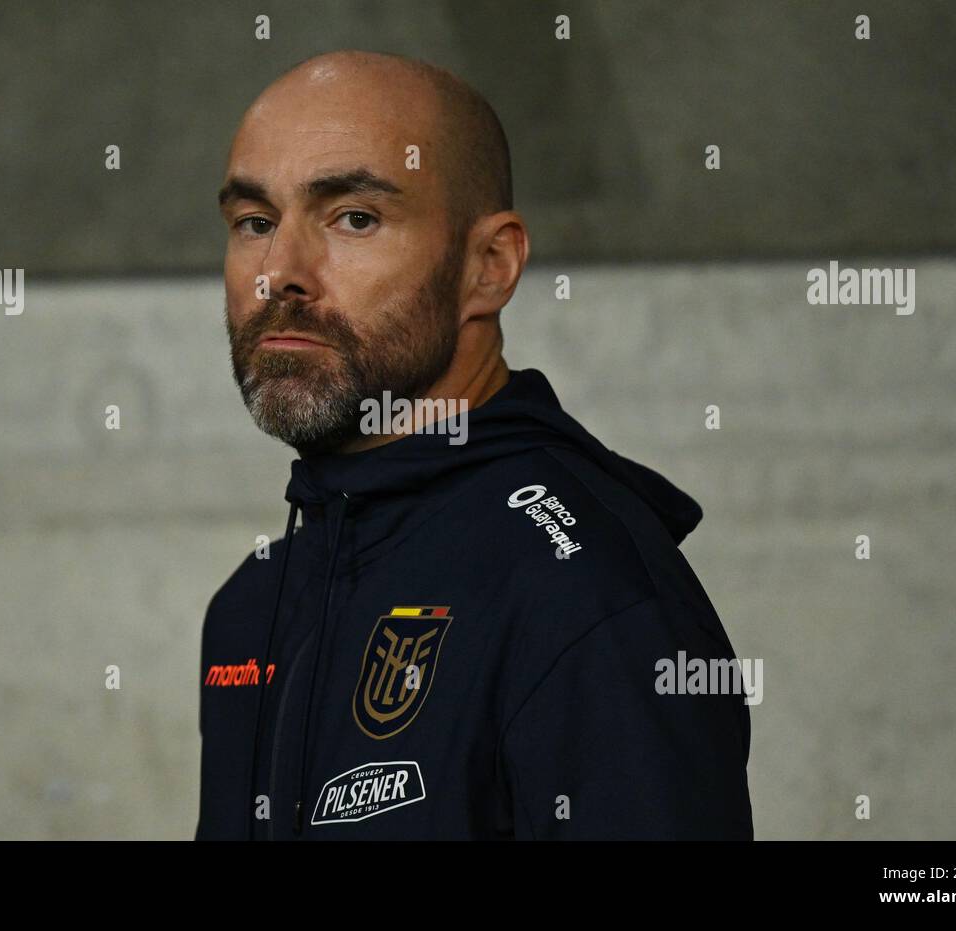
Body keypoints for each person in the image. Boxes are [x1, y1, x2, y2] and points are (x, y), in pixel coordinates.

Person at [196, 49, 753, 840]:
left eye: (354, 217)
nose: (281, 271)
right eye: (255, 223)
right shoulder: (252, 607)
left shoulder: (587, 602)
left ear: (488, 267)